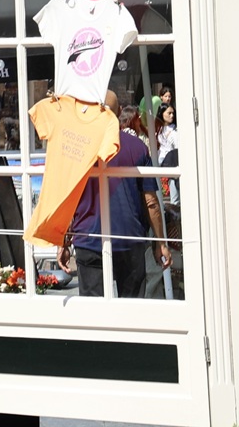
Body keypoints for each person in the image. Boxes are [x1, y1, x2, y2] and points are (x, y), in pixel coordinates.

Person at [59, 92, 170, 299]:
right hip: (129, 237)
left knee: (92, 315)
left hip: (89, 238)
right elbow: (151, 202)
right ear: (119, 113)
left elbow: (68, 199)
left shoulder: (77, 147)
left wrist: (63, 242)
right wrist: (160, 242)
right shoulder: (137, 147)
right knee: (131, 312)